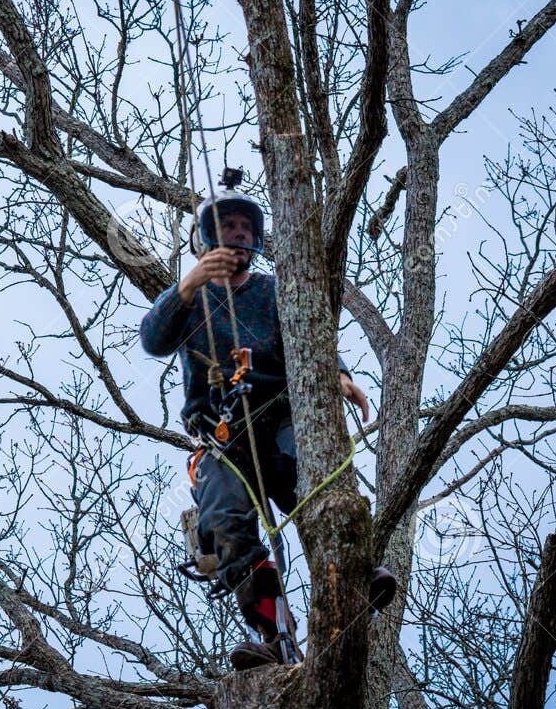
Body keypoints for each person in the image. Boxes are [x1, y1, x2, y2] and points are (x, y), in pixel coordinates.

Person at [139, 179, 393, 670]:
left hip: (279, 419)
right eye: (226, 226)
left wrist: (340, 375)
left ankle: (355, 578)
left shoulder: (274, 291)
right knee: (225, 520)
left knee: (317, 487)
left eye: (244, 228)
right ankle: (273, 634)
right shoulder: (189, 299)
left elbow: (309, 337)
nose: (236, 235)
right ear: (207, 237)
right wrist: (188, 282)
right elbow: (153, 340)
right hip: (223, 438)